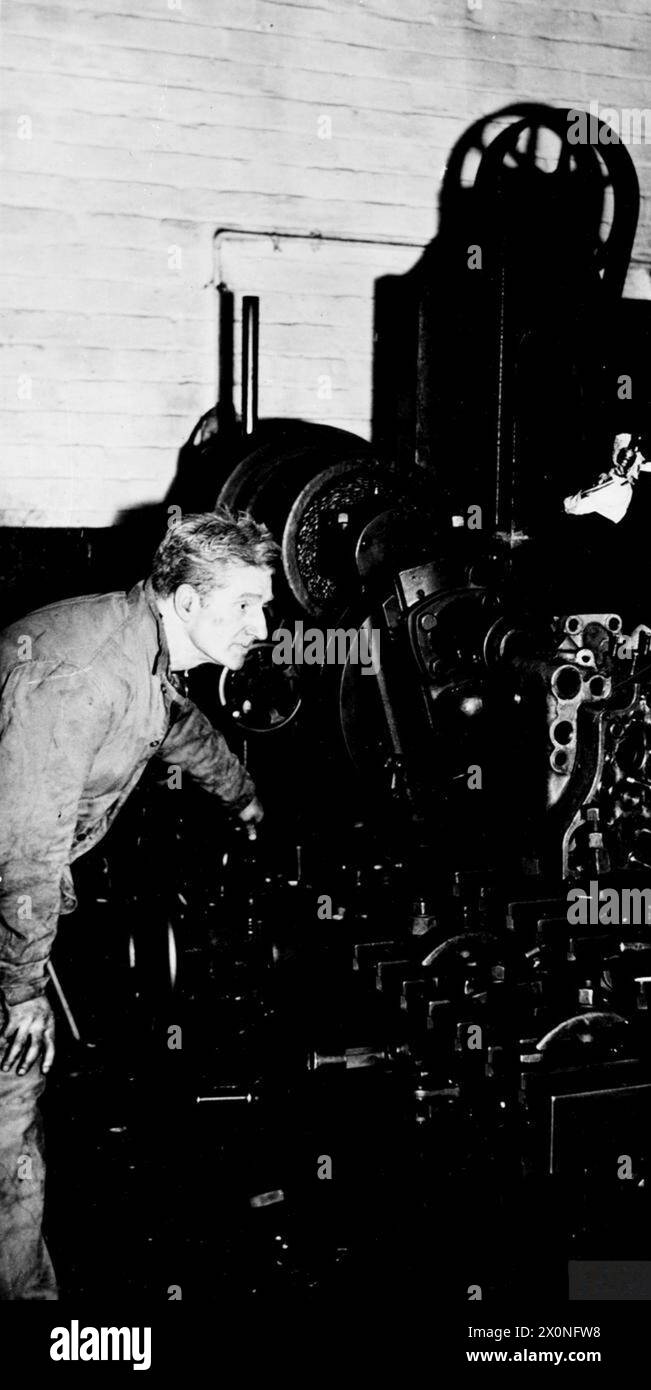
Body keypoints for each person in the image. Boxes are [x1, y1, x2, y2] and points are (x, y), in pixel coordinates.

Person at [0, 509, 276, 1299]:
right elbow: (23, 853)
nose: (261, 627)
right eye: (245, 606)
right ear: (187, 601)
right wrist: (20, 989)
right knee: (8, 1114)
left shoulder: (141, 646)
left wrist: (242, 796)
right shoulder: (83, 676)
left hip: (18, 892)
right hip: (8, 893)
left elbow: (173, 726)